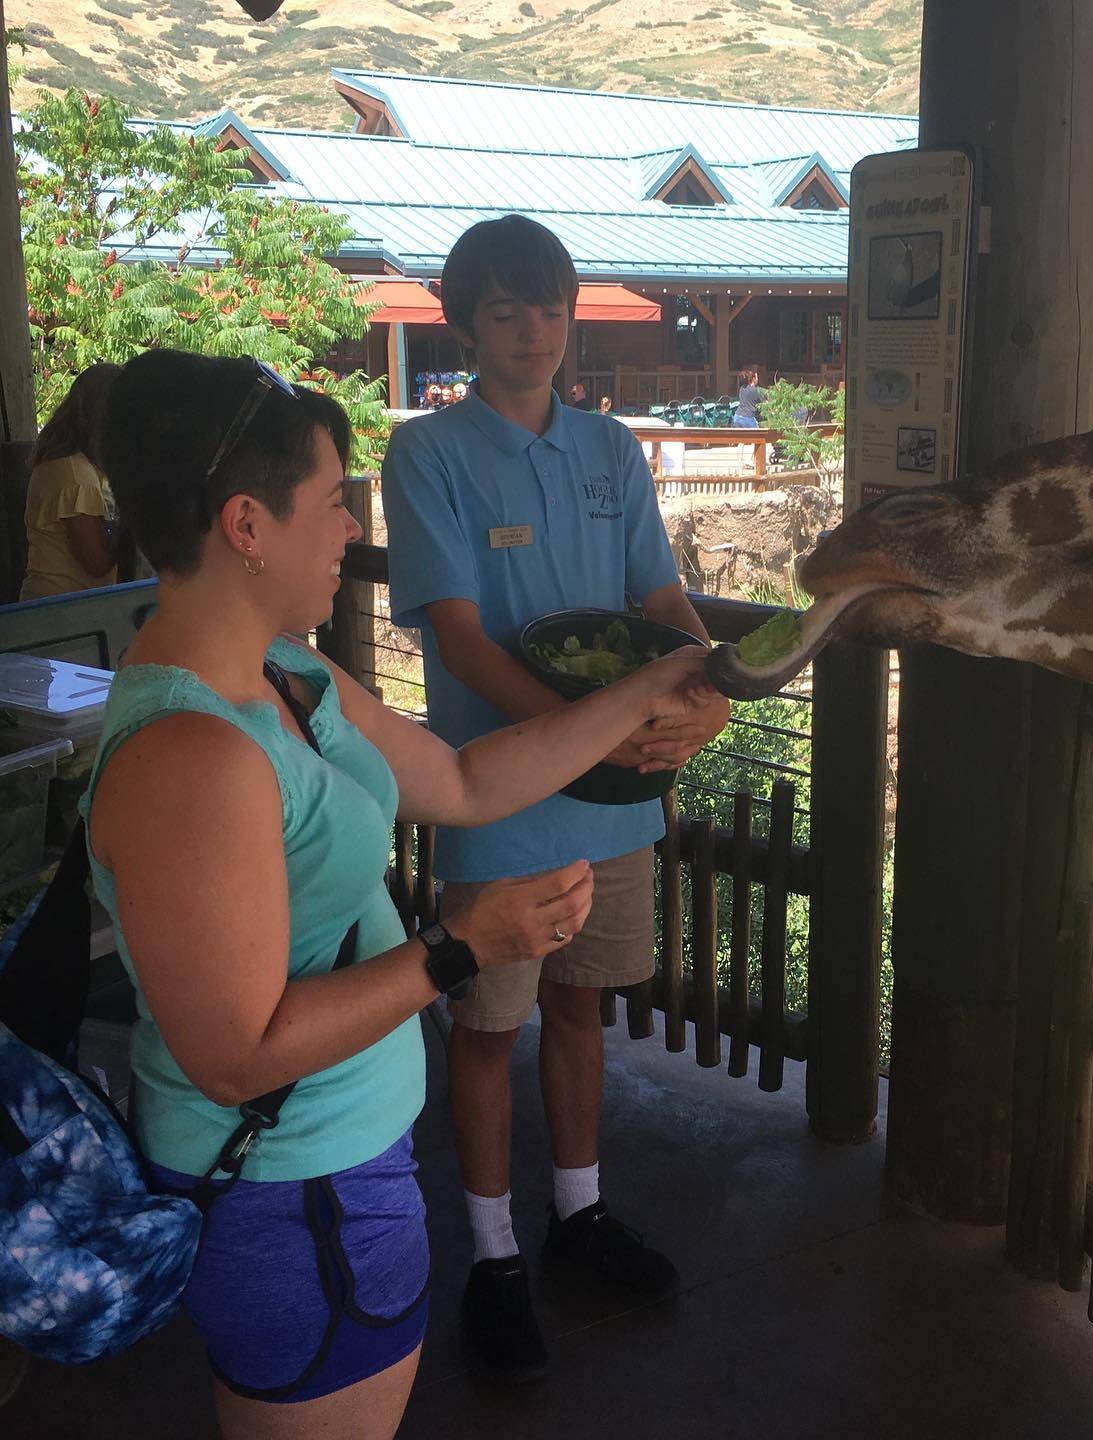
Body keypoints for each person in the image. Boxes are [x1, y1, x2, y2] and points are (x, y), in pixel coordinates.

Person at [84, 347, 718, 1440]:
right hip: (291, 1190)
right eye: (333, 501)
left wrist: (650, 689)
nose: (351, 528)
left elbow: (463, 780)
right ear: (246, 525)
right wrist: (459, 946)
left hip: (342, 1164)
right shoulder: (191, 756)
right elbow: (235, 1054)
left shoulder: (288, 673)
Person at [381, 214, 730, 1385]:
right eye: (505, 312)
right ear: (465, 324)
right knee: (488, 1026)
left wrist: (706, 688)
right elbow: (459, 638)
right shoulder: (428, 455)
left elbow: (661, 600)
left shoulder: (610, 449)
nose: (533, 332)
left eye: (549, 309)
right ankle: (491, 1255)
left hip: (616, 791)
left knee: (582, 1006)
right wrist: (587, 734)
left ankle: (577, 1211)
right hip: (495, 793)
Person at [20, 363, 123, 599]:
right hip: (62, 609)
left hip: (65, 605)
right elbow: (96, 563)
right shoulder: (75, 474)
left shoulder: (78, 465)